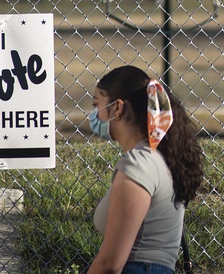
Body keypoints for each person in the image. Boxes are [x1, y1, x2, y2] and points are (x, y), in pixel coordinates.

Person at [87, 66, 205, 274]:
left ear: (117, 108)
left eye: (97, 104)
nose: (94, 114)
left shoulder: (138, 164)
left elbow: (110, 264)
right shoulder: (161, 158)